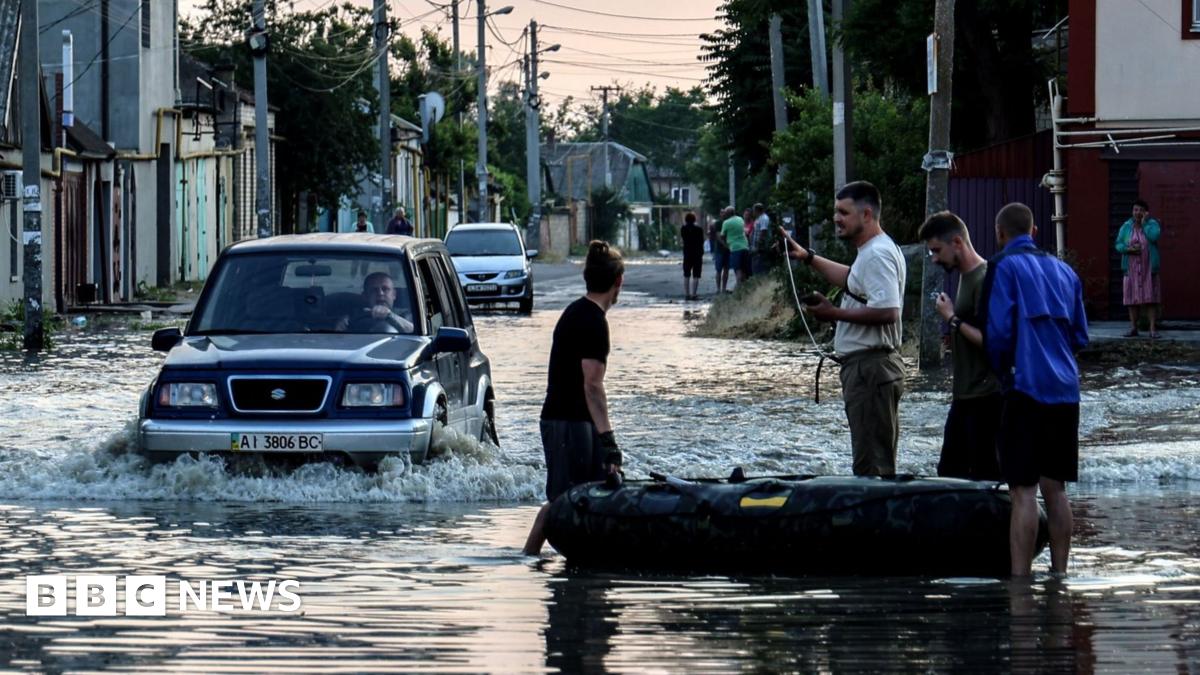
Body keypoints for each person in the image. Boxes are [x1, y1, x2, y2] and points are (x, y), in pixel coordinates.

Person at [982, 202, 1088, 578]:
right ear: (1035, 232)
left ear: (1000, 233)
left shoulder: (1002, 267)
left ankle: (1021, 579)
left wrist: (1002, 374)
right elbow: (1080, 336)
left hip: (1025, 387)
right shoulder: (1066, 272)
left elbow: (998, 334)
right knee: (1055, 488)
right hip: (1065, 389)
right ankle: (1060, 574)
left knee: (1023, 491)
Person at [779, 181, 906, 476]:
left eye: (843, 212)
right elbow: (852, 280)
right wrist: (808, 257)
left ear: (866, 215)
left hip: (871, 369)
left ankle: (873, 521)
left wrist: (833, 312)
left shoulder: (877, 255)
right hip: (870, 369)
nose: (836, 218)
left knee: (871, 466)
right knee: (872, 459)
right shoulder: (874, 251)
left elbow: (888, 311)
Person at [524, 240, 625, 555]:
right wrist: (609, 441)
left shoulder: (578, 312)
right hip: (567, 421)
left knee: (592, 494)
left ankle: (586, 567)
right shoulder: (593, 321)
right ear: (618, 282)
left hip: (575, 421)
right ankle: (527, 557)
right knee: (563, 502)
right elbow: (592, 385)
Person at [919, 211, 1002, 480]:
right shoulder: (965, 277)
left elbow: (991, 341)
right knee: (949, 472)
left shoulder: (985, 277)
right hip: (965, 396)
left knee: (985, 475)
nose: (934, 258)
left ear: (957, 242)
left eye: (936, 250)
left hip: (986, 397)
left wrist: (951, 318)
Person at [1114, 198, 1162, 338]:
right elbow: (1118, 244)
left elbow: (1154, 237)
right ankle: (1133, 328)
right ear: (1132, 211)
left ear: (1146, 212)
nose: (1138, 212)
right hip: (1131, 269)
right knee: (1131, 299)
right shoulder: (1126, 226)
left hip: (1149, 268)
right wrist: (1127, 248)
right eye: (1135, 210)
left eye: (1141, 210)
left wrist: (1144, 223)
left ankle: (1153, 329)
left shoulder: (1152, 224)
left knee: (1151, 298)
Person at [336, 271, 415, 333]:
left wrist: (390, 316)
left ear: (394, 294)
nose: (380, 293)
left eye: (385, 289)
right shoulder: (353, 316)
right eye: (374, 290)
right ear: (365, 296)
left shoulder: (407, 316)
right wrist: (342, 325)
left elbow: (415, 331)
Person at [719, 206, 749, 287]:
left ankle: (739, 290)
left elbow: (722, 236)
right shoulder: (740, 219)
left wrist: (726, 245)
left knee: (738, 269)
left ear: (728, 213)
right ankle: (746, 289)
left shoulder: (726, 223)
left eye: (725, 213)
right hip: (745, 246)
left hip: (735, 248)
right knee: (744, 270)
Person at [680, 212, 705, 300]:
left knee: (686, 274)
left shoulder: (683, 229)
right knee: (696, 275)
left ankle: (687, 294)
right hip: (697, 254)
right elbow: (702, 241)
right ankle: (694, 294)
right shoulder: (699, 229)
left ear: (686, 220)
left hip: (687, 253)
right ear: (694, 220)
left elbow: (683, 239)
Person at [708, 215, 730, 293]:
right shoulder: (718, 223)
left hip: (726, 251)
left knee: (725, 270)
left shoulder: (728, 222)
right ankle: (718, 288)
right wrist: (726, 245)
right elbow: (718, 236)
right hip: (720, 250)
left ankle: (723, 288)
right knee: (719, 270)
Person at [751, 203, 771, 275]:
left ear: (757, 210)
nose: (753, 212)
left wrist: (759, 244)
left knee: (759, 264)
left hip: (761, 246)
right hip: (756, 246)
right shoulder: (759, 218)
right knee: (756, 264)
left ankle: (761, 277)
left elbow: (763, 231)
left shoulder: (764, 218)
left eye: (754, 210)